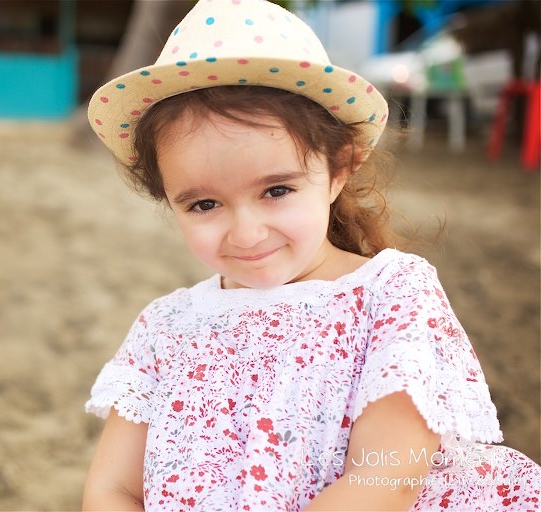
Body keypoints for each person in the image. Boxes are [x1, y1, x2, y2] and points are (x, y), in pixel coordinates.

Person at [82, 0, 541, 510]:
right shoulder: (163, 329)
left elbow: (385, 477)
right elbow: (113, 489)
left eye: (276, 190)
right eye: (204, 203)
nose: (247, 232)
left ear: (339, 168)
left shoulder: (391, 295)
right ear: (170, 200)